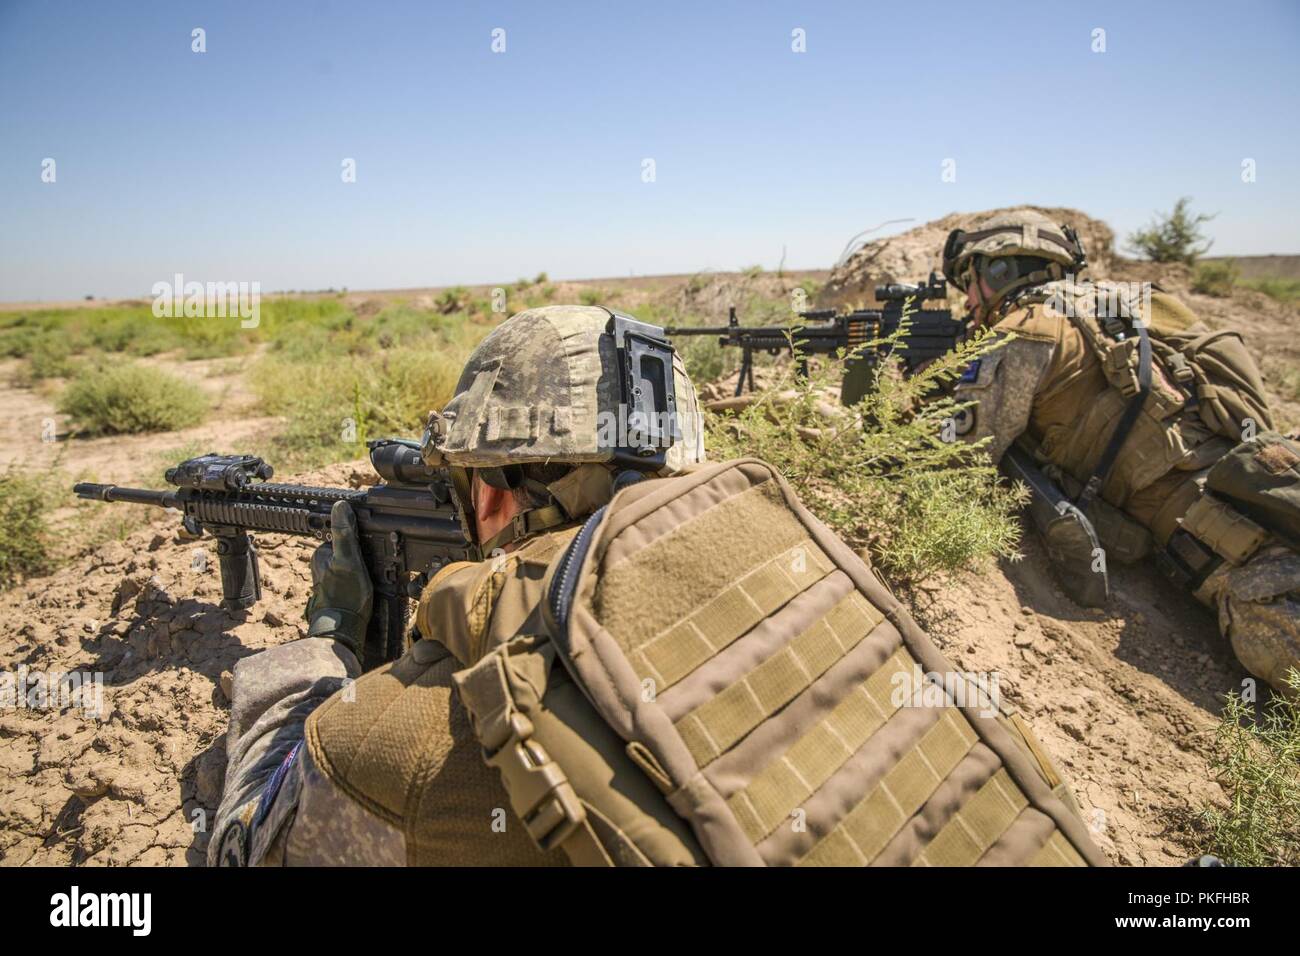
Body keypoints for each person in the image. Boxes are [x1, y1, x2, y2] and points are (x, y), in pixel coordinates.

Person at [208, 304, 705, 865]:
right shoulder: (778, 578)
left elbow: (244, 846)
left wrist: (330, 641)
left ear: (489, 494)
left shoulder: (398, 741)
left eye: (460, 484)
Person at [942, 209, 1300, 693]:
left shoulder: (1026, 330)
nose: (967, 298)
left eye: (970, 279)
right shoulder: (1134, 302)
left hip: (1242, 553)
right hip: (1266, 483)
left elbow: (958, 457)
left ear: (999, 271)